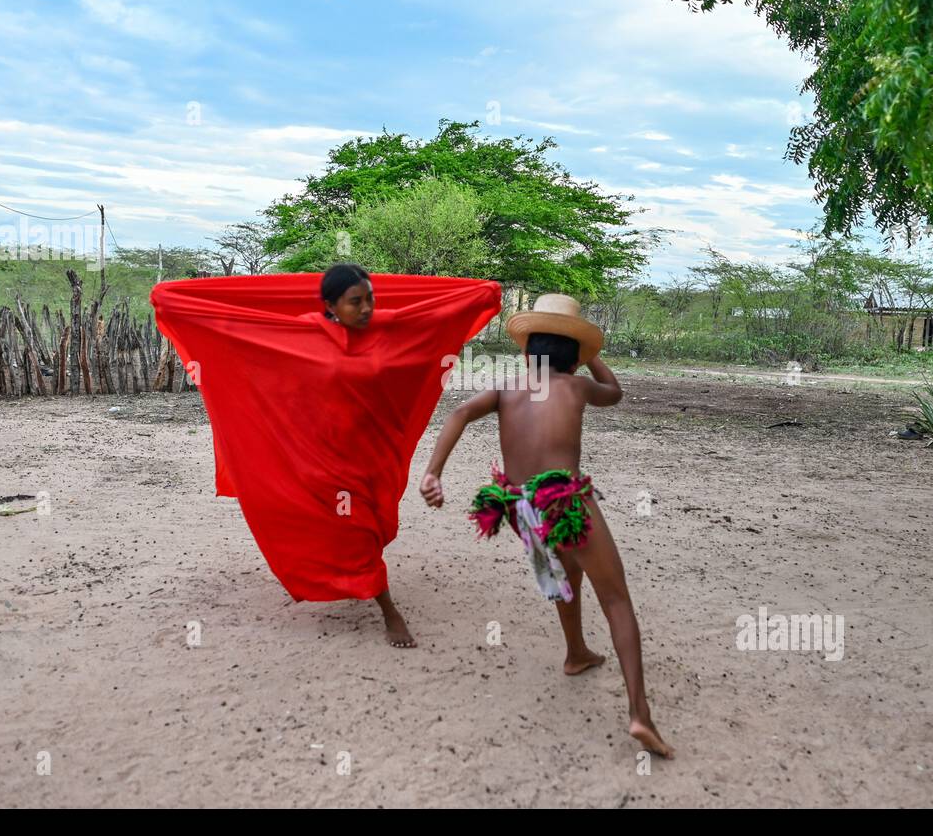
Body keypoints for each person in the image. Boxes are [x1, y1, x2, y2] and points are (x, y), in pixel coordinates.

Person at [150, 263, 501, 648]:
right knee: (354, 530)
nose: (367, 308)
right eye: (356, 302)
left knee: (370, 524)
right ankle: (388, 610)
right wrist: (171, 300)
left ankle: (357, 575)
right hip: (322, 454)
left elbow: (435, 321)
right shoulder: (302, 334)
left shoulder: (388, 327)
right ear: (331, 305)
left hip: (373, 451)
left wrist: (480, 295)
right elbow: (242, 338)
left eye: (370, 298)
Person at [418, 294, 673, 758]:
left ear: (526, 353)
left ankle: (576, 654)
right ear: (576, 357)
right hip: (563, 498)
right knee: (615, 598)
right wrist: (593, 357)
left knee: (565, 575)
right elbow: (614, 393)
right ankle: (640, 714)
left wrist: (433, 472)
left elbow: (458, 413)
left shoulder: (509, 388)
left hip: (517, 506)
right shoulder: (576, 387)